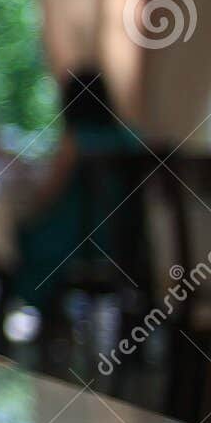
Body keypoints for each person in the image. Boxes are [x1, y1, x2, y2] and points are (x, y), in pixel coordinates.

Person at [12, 68, 146, 309]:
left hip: (79, 245)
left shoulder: (74, 142)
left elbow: (46, 197)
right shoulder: (132, 140)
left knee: (18, 237)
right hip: (128, 245)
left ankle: (42, 318)